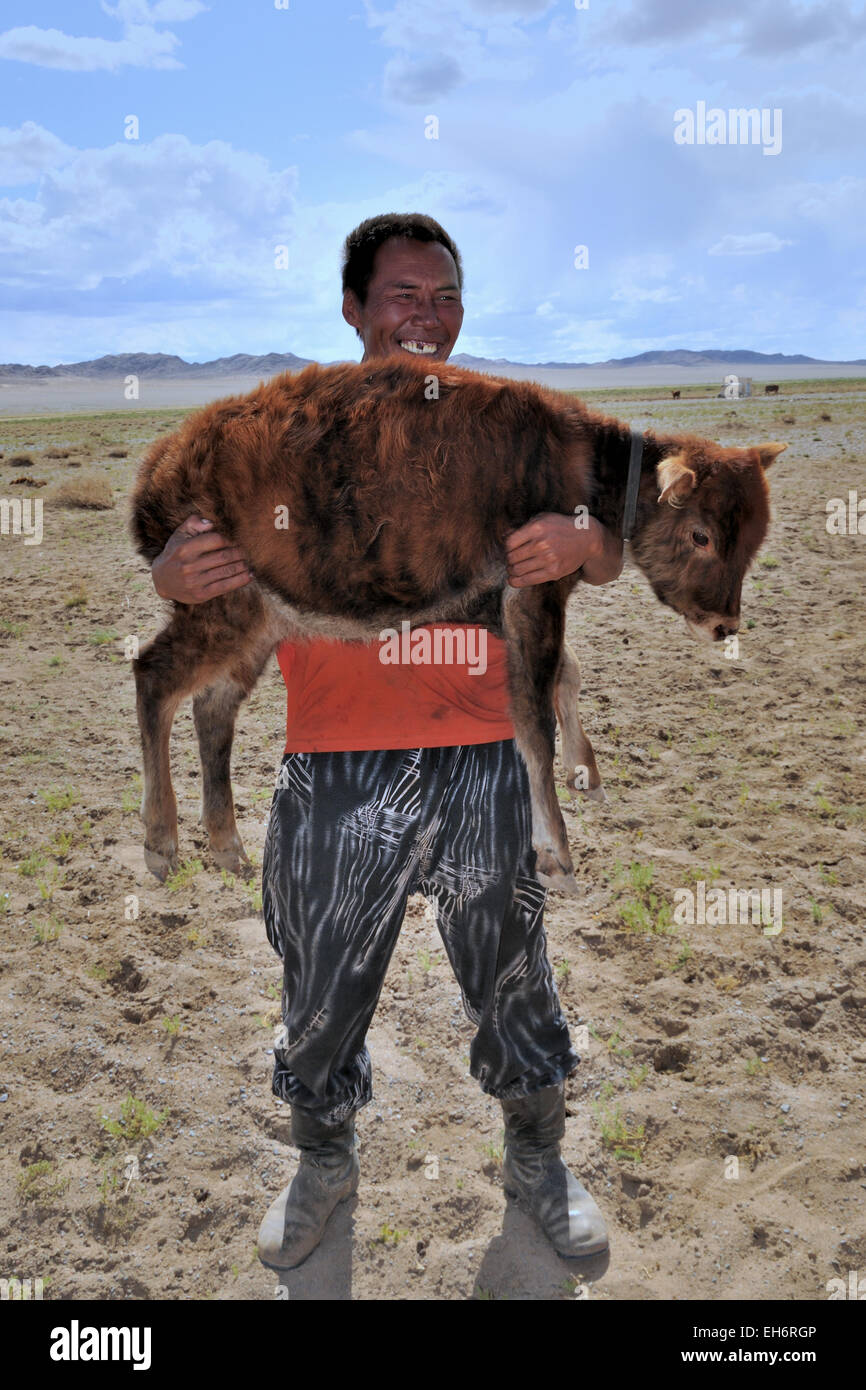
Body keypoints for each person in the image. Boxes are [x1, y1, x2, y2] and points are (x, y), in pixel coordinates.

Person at [150, 213, 623, 1269]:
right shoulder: (284, 438)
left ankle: (537, 1161)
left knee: (511, 974)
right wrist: (171, 576)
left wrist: (585, 540)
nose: (428, 314)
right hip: (334, 763)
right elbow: (191, 556)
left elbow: (607, 543)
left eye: (444, 294)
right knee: (318, 983)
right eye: (403, 295)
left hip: (480, 759)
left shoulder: (503, 430)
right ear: (352, 308)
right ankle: (322, 1161)